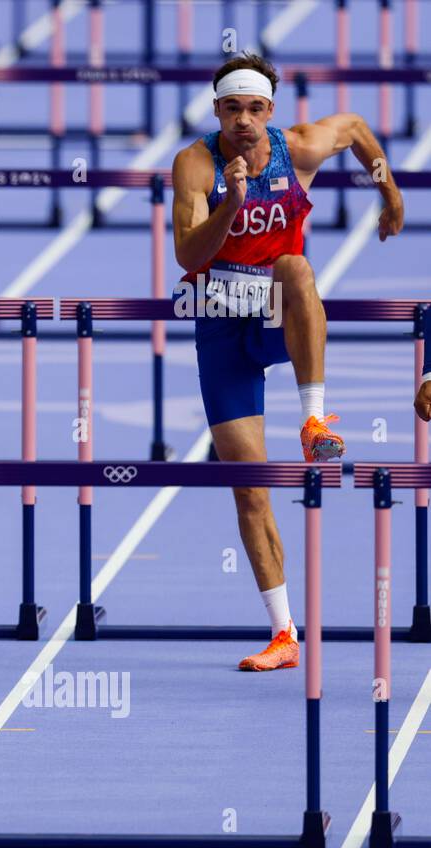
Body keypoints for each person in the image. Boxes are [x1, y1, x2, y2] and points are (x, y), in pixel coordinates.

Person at [170, 53, 404, 671]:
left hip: (279, 314)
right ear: (216, 110)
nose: (243, 120)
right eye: (231, 109)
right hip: (220, 323)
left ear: (270, 112)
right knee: (248, 489)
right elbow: (186, 255)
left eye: (254, 109)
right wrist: (231, 202)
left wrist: (388, 189)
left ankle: (315, 420)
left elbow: (354, 128)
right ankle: (284, 636)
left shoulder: (297, 150)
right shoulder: (196, 164)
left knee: (298, 268)